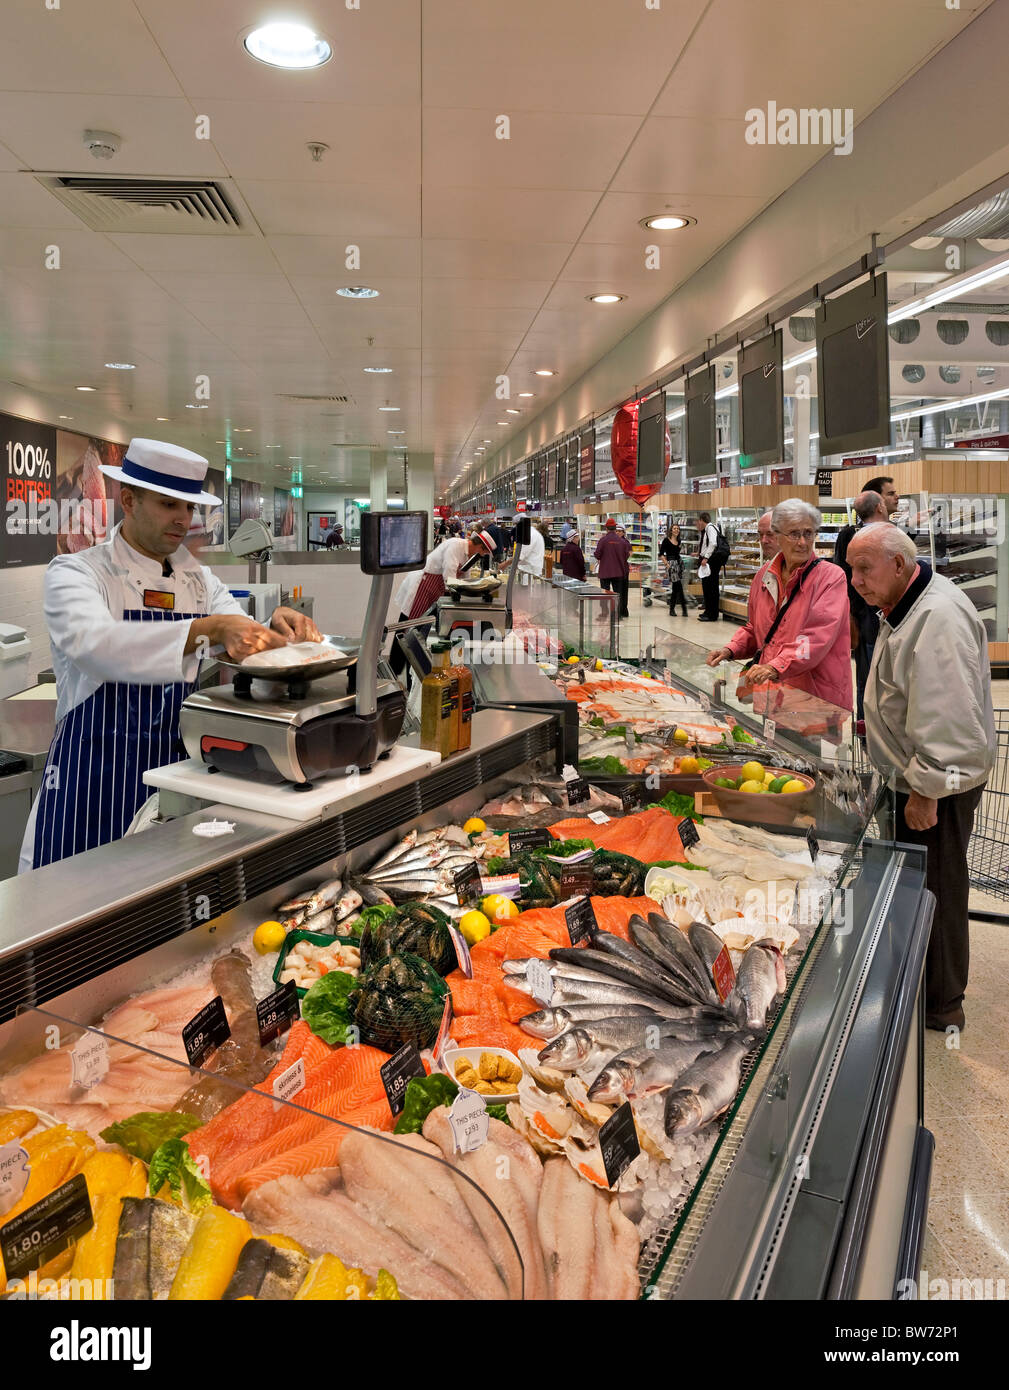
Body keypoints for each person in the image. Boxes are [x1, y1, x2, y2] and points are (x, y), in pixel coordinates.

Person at [21, 439, 320, 872]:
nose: (184, 520)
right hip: (89, 781)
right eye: (168, 505)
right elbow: (95, 646)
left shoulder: (198, 581)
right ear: (128, 500)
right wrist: (207, 630)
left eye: (189, 508)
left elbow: (239, 635)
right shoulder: (79, 572)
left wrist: (275, 629)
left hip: (171, 775)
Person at [847, 524, 995, 1032]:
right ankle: (915, 977)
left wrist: (927, 791)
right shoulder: (907, 604)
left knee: (938, 885)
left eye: (864, 568)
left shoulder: (938, 619)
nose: (855, 579)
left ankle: (940, 1002)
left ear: (901, 566)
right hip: (915, 778)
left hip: (936, 786)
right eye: (851, 567)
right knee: (916, 881)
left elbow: (946, 717)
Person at [705, 498, 852, 710]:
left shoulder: (830, 578)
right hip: (772, 692)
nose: (802, 542)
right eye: (794, 534)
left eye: (808, 533)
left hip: (813, 697)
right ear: (779, 537)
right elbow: (755, 628)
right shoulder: (764, 576)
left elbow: (817, 638)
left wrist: (776, 667)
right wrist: (731, 649)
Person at [833, 490, 889, 725]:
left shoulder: (848, 534)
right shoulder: (883, 536)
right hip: (874, 613)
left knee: (866, 674)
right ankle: (873, 725)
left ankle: (865, 726)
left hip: (863, 613)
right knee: (879, 672)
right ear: (879, 508)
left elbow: (841, 575)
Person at [408, 528, 495, 618]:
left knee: (429, 619)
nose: (482, 555)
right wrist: (455, 592)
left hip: (439, 585)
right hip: (426, 583)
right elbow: (449, 571)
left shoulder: (469, 554)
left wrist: (469, 590)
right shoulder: (456, 545)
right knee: (416, 619)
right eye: (484, 552)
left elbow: (465, 576)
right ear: (480, 546)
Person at [594, 517, 631, 619]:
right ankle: (617, 615)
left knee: (605, 593)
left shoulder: (602, 541)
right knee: (617, 594)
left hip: (605, 572)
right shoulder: (622, 542)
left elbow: (597, 555)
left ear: (606, 528)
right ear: (615, 528)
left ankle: (604, 613)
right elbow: (626, 556)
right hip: (618, 571)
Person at [695, 512, 725, 622]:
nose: (699, 523)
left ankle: (712, 614)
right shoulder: (711, 528)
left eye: (699, 521)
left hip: (711, 562)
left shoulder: (710, 528)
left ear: (702, 520)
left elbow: (713, 543)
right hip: (711, 561)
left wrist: (706, 557)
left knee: (711, 588)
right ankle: (708, 611)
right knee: (708, 587)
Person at [659, 523, 687, 617]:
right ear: (671, 530)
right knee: (678, 586)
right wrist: (666, 564)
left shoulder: (679, 541)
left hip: (678, 564)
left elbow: (678, 553)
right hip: (671, 564)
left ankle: (673, 609)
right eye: (674, 528)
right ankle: (683, 609)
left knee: (676, 588)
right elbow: (661, 554)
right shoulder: (666, 540)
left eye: (678, 529)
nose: (676, 530)